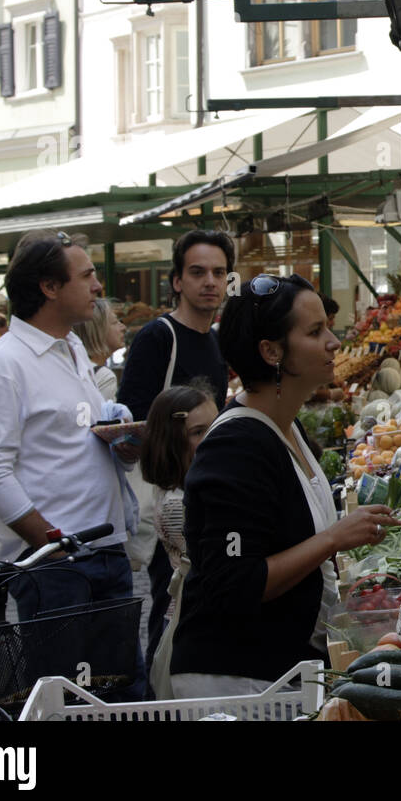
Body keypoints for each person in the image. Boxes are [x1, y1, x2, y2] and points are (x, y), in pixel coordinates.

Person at [170, 274, 398, 696]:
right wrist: (332, 540)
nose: (333, 341)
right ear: (271, 351)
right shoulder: (236, 446)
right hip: (238, 684)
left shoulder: (285, 427)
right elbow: (235, 582)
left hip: (281, 671)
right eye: (315, 331)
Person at [0, 230, 147, 697]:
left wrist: (122, 445)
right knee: (65, 701)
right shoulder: (2, 365)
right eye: (86, 276)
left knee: (118, 697)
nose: (98, 287)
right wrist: (51, 545)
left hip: (104, 549)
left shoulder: (70, 349)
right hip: (56, 565)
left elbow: (74, 442)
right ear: (49, 287)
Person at [116, 229, 234, 675]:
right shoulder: (158, 338)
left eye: (219, 273)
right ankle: (159, 694)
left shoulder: (215, 341)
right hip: (169, 502)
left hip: (203, 493)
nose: (210, 282)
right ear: (177, 281)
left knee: (193, 600)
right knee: (169, 601)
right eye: (198, 272)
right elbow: (129, 423)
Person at [139, 382, 217, 699]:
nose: (211, 438)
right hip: (197, 625)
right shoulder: (176, 504)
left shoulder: (196, 486)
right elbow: (217, 560)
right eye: (198, 432)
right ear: (171, 443)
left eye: (216, 426)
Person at [73, 298, 127, 401]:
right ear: (98, 330)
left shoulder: (73, 366)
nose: (123, 327)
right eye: (115, 322)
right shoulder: (104, 376)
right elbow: (99, 417)